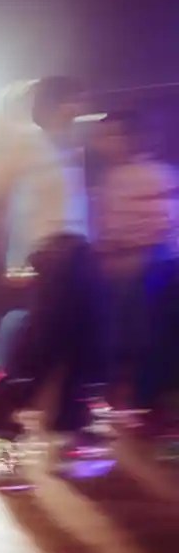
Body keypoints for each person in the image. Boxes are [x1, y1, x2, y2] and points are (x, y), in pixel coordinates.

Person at [0, 76, 107, 464]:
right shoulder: (27, 139)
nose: (81, 106)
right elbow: (4, 197)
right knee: (44, 341)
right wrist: (4, 253)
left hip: (76, 247)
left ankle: (68, 420)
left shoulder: (68, 145)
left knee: (80, 338)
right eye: (75, 99)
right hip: (54, 251)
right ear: (56, 104)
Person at [92, 109, 179, 412]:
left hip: (139, 268)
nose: (102, 143)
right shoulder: (165, 172)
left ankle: (132, 410)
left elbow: (117, 234)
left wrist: (110, 257)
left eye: (110, 136)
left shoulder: (126, 177)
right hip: (161, 265)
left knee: (131, 347)